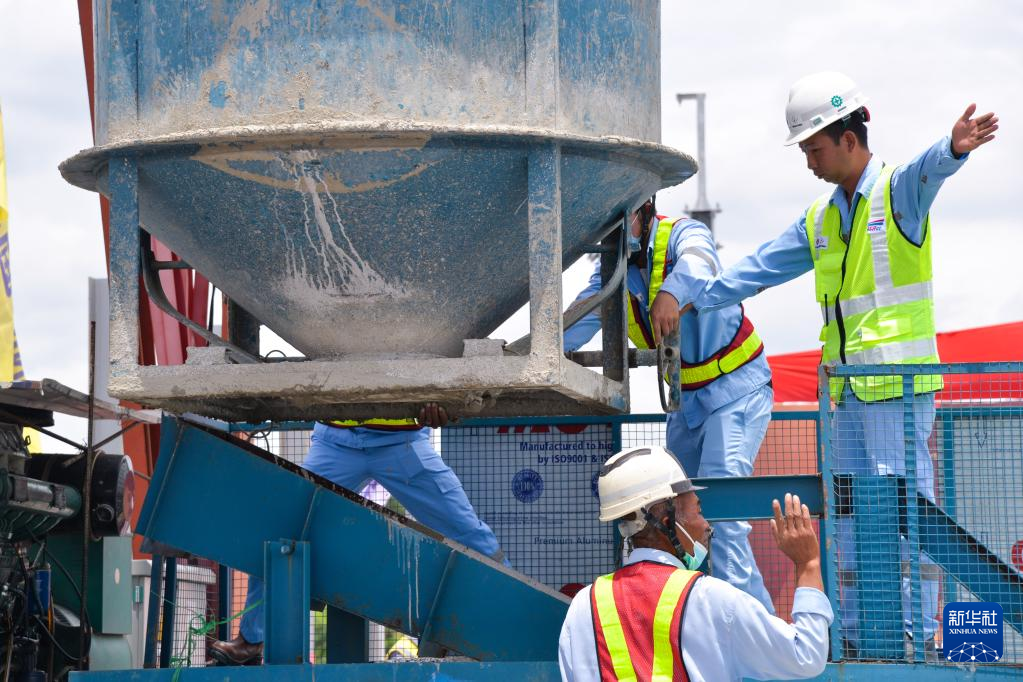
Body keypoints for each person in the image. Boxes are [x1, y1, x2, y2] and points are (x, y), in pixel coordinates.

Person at [659, 72, 998, 656]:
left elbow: (928, 169)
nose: (809, 162)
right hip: (846, 397)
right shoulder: (819, 220)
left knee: (905, 516)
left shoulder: (897, 192)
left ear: (848, 138)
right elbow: (759, 267)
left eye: (814, 149)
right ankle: (858, 636)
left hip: (896, 386)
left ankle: (912, 635)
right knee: (844, 522)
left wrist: (953, 148)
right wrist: (695, 295)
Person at [564, 200, 776, 611]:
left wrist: (671, 293)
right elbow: (577, 321)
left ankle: (754, 627)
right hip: (685, 406)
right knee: (678, 516)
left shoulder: (681, 234)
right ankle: (699, 615)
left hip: (735, 392)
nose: (611, 231)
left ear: (644, 210)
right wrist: (525, 351)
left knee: (722, 516)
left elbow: (701, 261)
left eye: (620, 219)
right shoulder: (612, 271)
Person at [210, 403, 507, 665]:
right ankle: (252, 639)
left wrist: (441, 402)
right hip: (336, 443)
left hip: (402, 443)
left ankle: (514, 621)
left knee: (470, 535)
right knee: (279, 527)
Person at [558, 445, 832, 681]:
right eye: (698, 511)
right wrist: (807, 563)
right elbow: (806, 655)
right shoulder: (711, 598)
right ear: (667, 522)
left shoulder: (584, 605)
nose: (705, 525)